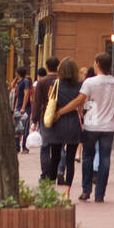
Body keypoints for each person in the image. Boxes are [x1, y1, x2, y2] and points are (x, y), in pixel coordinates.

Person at [56, 52, 114, 202]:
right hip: (108, 126)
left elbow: (80, 100)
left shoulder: (90, 82)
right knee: (105, 159)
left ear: (97, 63)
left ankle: (86, 190)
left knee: (87, 157)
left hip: (92, 125)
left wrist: (61, 111)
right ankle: (100, 193)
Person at [39, 58, 82, 197]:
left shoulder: (55, 83)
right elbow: (80, 107)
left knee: (55, 156)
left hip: (57, 123)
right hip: (72, 124)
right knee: (70, 159)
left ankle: (50, 188)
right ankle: (67, 191)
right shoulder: (79, 85)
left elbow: (50, 100)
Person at [31, 57, 59, 179]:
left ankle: (45, 174)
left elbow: (37, 102)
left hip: (45, 117)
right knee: (59, 147)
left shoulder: (41, 82)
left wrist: (34, 119)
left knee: (45, 146)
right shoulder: (61, 81)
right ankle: (59, 171)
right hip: (59, 116)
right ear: (58, 66)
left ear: (46, 66)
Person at [13, 65, 33, 153]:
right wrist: (16, 106)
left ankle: (24, 146)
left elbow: (26, 94)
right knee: (17, 127)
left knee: (25, 127)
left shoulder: (25, 81)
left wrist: (23, 107)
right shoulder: (19, 81)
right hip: (18, 107)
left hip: (25, 108)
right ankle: (17, 146)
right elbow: (17, 95)